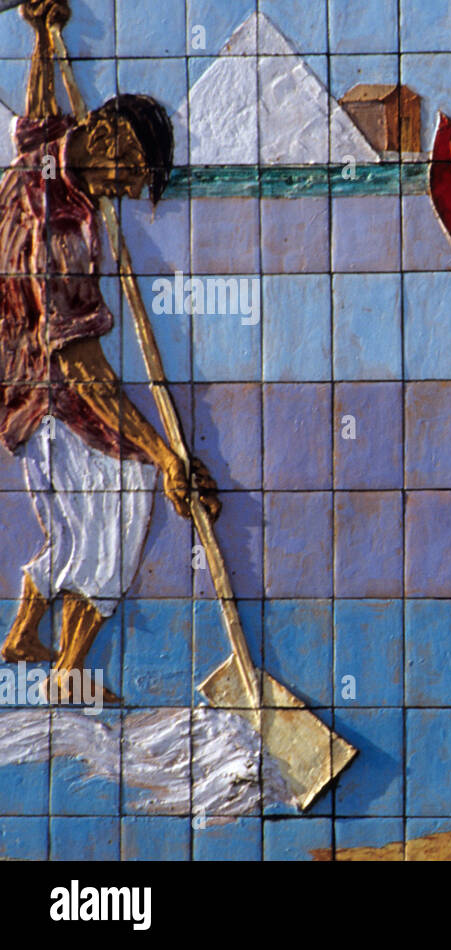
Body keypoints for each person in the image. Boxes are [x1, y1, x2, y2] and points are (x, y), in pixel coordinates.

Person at [0, 0, 219, 703]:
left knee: (68, 521)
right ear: (104, 135)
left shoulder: (48, 156)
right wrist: (168, 459)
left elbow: (39, 111)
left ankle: (25, 635)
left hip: (16, 390)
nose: (127, 189)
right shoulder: (63, 229)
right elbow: (85, 371)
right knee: (123, 508)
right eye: (129, 172)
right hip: (48, 396)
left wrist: (42, 34)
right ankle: (70, 670)